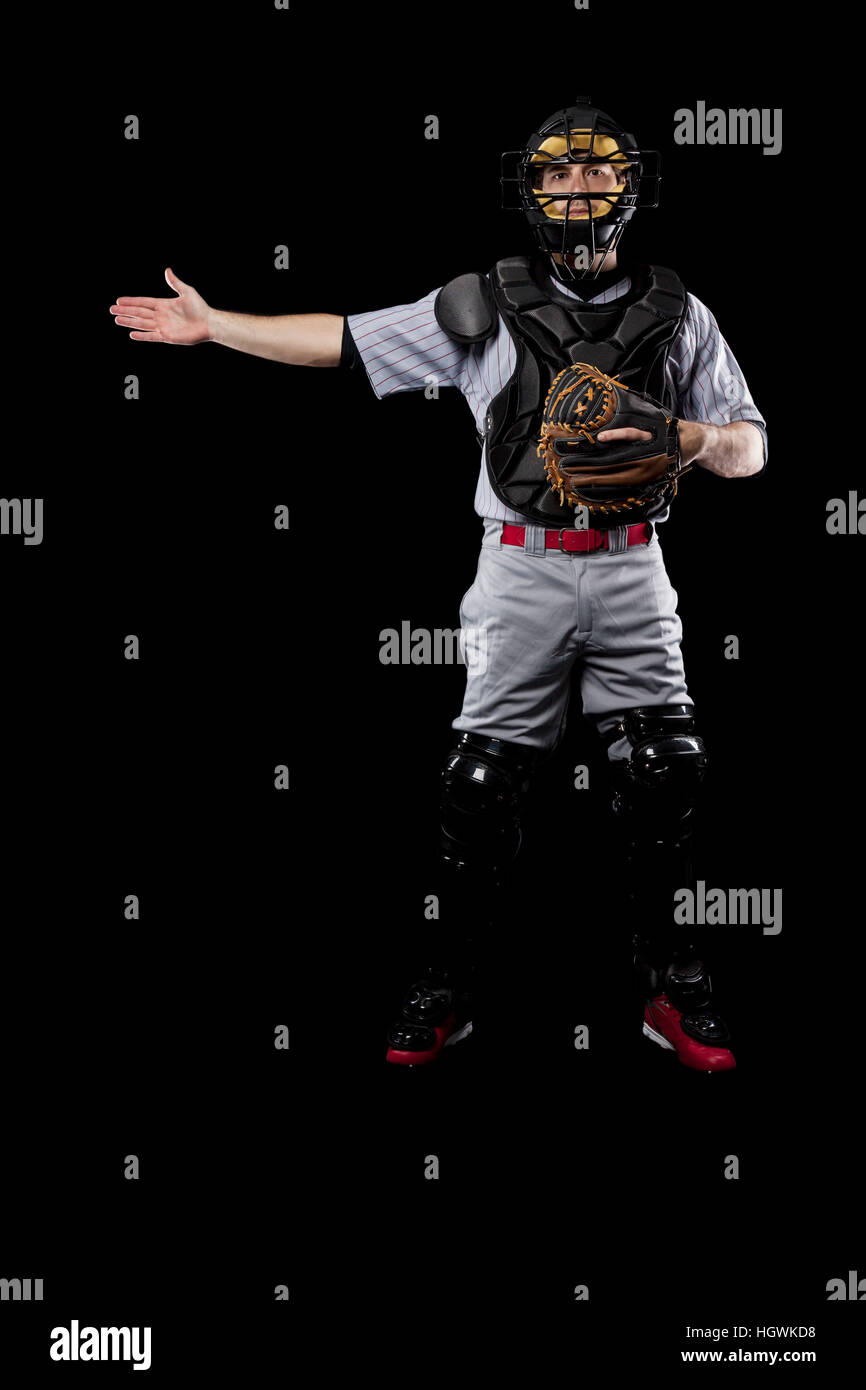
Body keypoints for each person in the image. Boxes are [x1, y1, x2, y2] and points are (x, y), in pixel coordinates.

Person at [109, 99, 767, 1074]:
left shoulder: (677, 310)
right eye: (558, 171)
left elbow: (749, 448)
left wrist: (693, 440)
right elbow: (339, 338)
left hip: (632, 562)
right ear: (530, 188)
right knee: (481, 784)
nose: (578, 186)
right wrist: (214, 327)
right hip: (519, 565)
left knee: (664, 772)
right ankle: (446, 981)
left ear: (630, 186)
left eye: (596, 170)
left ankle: (672, 983)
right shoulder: (482, 305)